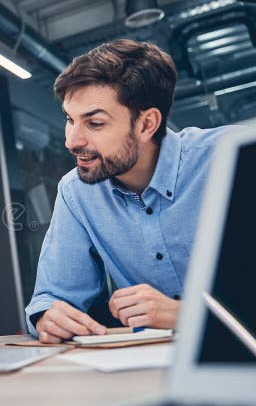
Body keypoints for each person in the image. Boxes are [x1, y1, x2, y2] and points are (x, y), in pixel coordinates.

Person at [25, 39, 234, 343]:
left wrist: (187, 314)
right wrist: (48, 316)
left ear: (147, 124)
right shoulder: (76, 192)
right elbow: (53, 297)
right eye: (70, 119)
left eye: (95, 123)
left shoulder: (232, 157)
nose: (72, 141)